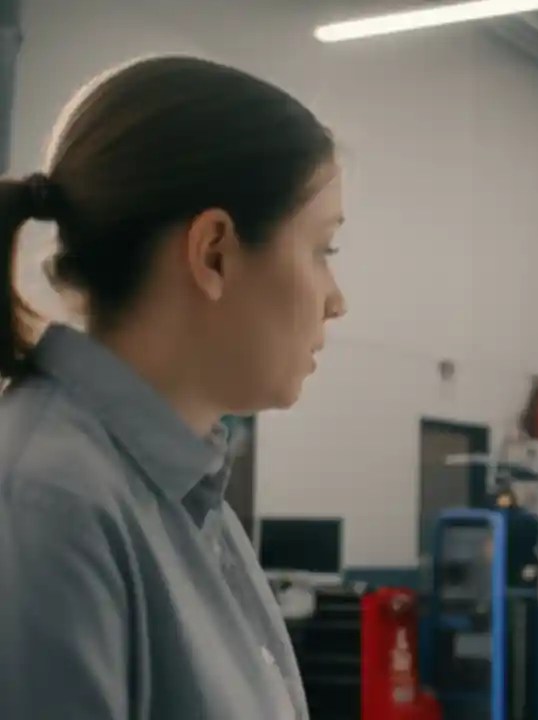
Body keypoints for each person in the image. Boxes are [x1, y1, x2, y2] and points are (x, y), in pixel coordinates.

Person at [0, 55, 346, 719]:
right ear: (214, 252)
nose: (337, 301)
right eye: (323, 250)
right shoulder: (48, 506)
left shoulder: (183, 493)